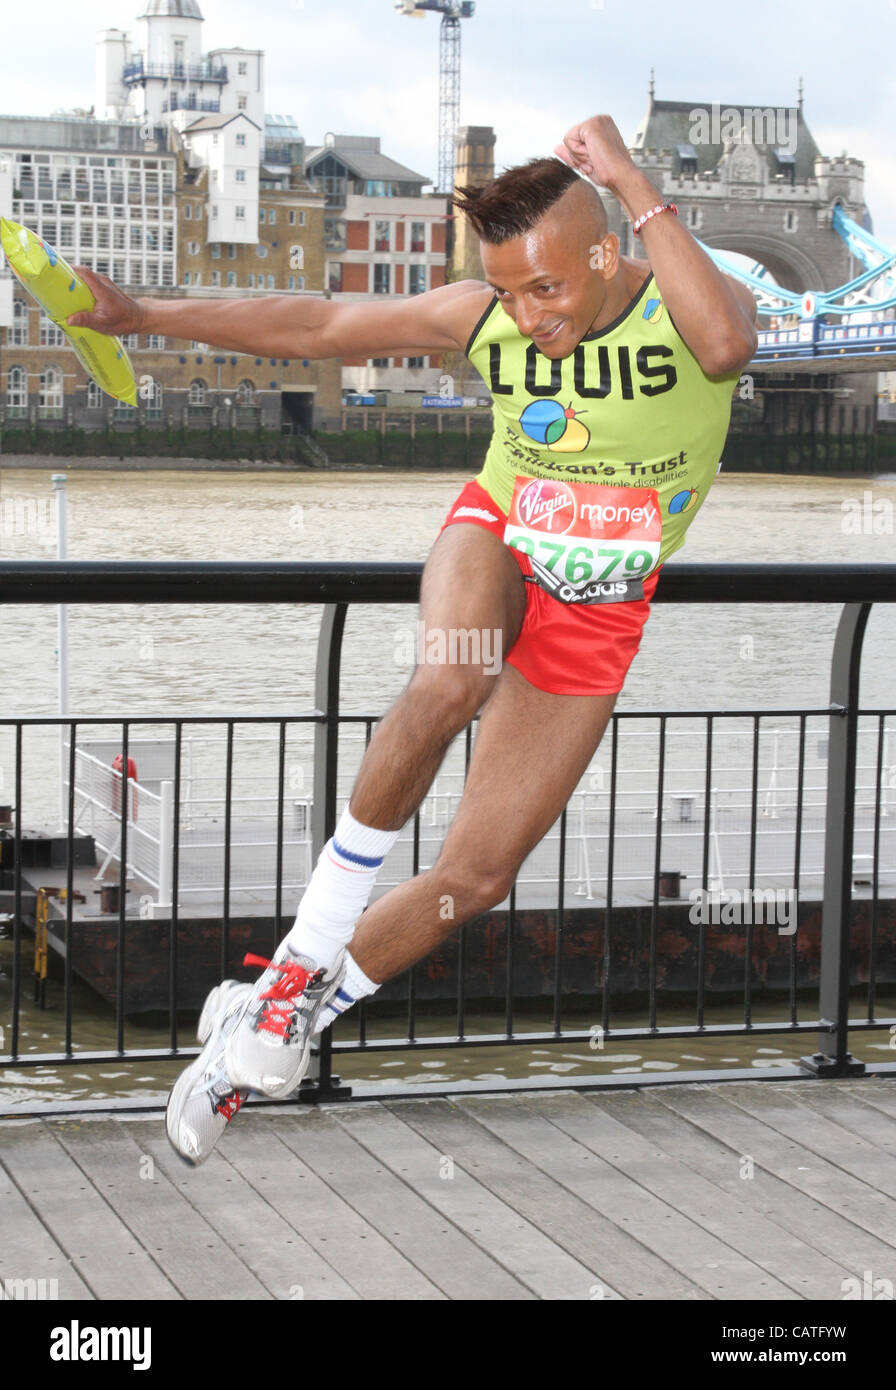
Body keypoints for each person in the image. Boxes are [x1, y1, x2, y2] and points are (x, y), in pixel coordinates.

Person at [67, 115, 757, 1165]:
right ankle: (300, 956)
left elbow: (728, 347)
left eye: (548, 291)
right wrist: (142, 313)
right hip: (498, 542)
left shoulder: (682, 305)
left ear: (607, 252)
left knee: (471, 879)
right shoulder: (484, 320)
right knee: (449, 680)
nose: (528, 321)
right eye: (510, 293)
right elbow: (314, 325)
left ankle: (268, 1022)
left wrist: (625, 175)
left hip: (596, 609)